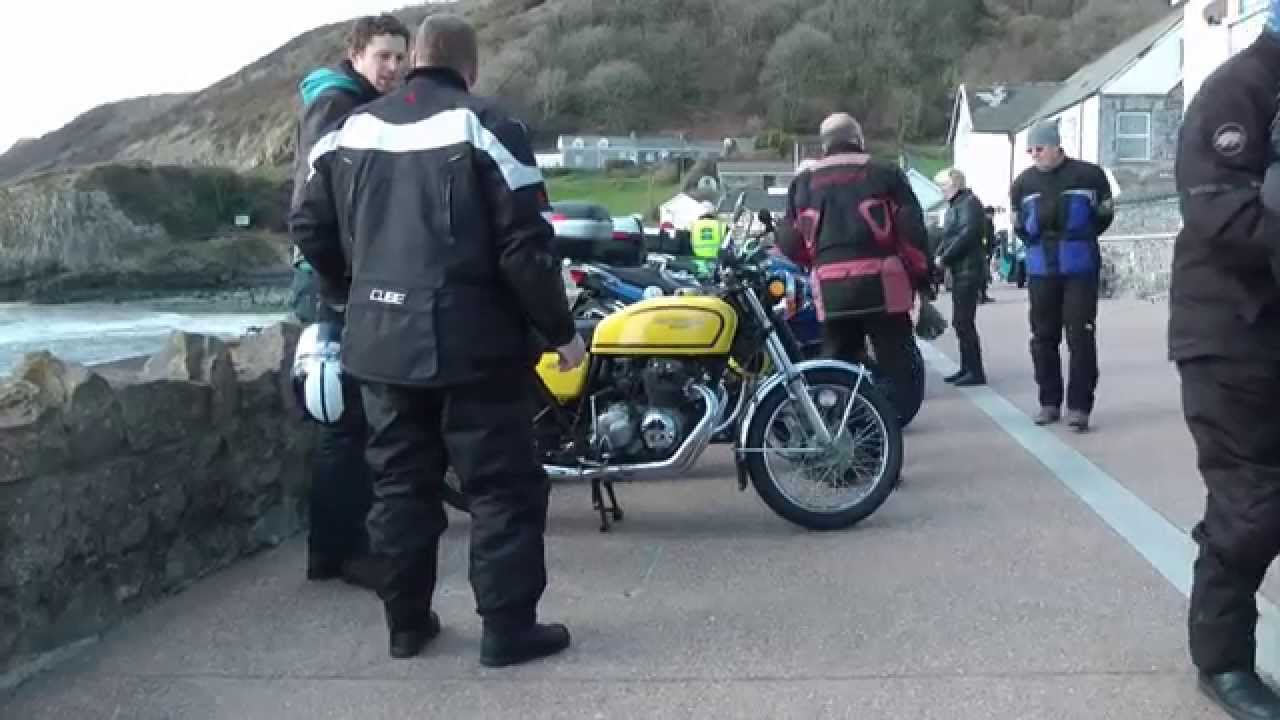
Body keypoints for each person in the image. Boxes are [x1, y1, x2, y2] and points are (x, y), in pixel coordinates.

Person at [290, 13, 584, 666]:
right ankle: (506, 629)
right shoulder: (488, 125)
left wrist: (352, 292)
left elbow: (308, 225)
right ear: (469, 67)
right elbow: (525, 247)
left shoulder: (352, 128)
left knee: (399, 485)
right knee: (501, 487)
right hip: (474, 346)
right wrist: (561, 331)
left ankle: (406, 625)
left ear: (415, 59)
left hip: (381, 345)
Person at [1169, 4, 1280, 715]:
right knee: (1252, 505)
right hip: (1232, 336)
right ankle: (1222, 659)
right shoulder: (1239, 89)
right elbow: (1218, 210)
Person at [288, 13, 409, 589]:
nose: (393, 68)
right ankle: (339, 553)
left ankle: (334, 548)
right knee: (345, 418)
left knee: (347, 417)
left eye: (400, 57)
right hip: (332, 282)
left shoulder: (352, 102)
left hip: (336, 279)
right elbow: (316, 212)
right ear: (356, 55)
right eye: (383, 56)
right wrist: (343, 285)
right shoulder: (338, 107)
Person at [773, 113, 931, 421]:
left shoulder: (803, 183)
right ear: (859, 140)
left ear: (824, 144)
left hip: (831, 289)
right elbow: (912, 232)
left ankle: (851, 440)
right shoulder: (885, 173)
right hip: (883, 286)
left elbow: (789, 240)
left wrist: (816, 262)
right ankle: (890, 433)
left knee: (838, 367)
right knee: (897, 365)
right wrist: (922, 274)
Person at [1009, 119, 1114, 431]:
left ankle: (1080, 407)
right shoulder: (1023, 184)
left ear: (1056, 146)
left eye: (1039, 148)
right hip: (1041, 268)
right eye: (1030, 150)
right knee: (1043, 337)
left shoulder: (1089, 175)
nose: (1034, 154)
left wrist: (1080, 239)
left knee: (1080, 335)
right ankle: (1049, 402)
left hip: (1079, 266)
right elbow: (1018, 225)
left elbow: (1105, 216)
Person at [933, 168, 987, 386]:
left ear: (955, 185)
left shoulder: (969, 204)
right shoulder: (959, 205)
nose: (942, 191)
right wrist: (940, 253)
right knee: (962, 321)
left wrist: (944, 257)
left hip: (968, 269)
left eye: (944, 186)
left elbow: (967, 234)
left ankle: (974, 371)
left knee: (963, 321)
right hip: (961, 269)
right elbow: (952, 236)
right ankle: (968, 368)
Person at [980, 206, 997, 303]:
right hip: (984, 252)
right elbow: (984, 237)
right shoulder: (984, 223)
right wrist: (985, 251)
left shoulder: (989, 222)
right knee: (983, 274)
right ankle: (981, 295)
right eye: (991, 214)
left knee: (985, 274)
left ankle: (983, 294)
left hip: (987, 251)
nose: (992, 216)